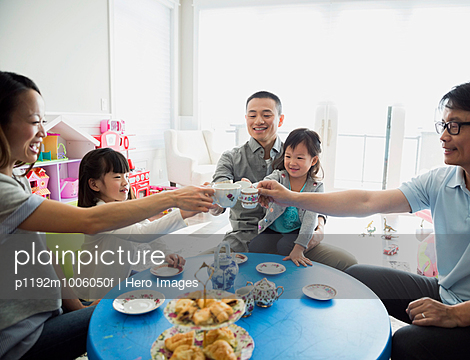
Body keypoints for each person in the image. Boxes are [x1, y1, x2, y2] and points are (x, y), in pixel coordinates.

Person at [258, 80, 470, 360]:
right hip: (448, 293)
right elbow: (366, 202)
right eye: (442, 125)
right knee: (357, 278)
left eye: (454, 126)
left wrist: (455, 315)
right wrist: (290, 198)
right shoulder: (441, 180)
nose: (443, 136)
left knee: (409, 343)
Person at [0, 71, 215, 360]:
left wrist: (77, 311)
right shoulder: (8, 193)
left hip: (49, 315)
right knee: (140, 313)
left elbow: (46, 261)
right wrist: (175, 197)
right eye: (34, 121)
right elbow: (92, 223)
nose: (43, 132)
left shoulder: (17, 182)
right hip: (21, 339)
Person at [209, 91, 357, 271]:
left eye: (266, 115)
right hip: (243, 237)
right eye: (252, 115)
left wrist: (319, 227)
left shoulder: (297, 154)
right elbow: (218, 199)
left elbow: (314, 191)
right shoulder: (230, 157)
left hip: (293, 239)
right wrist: (213, 200)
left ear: (280, 119)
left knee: (347, 262)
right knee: (208, 269)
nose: (258, 121)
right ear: (246, 118)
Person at [73, 148, 197, 299]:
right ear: (94, 184)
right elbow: (142, 233)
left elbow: (145, 227)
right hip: (95, 290)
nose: (126, 182)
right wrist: (182, 213)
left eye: (127, 176)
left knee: (161, 285)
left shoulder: (122, 206)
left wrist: (166, 253)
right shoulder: (101, 213)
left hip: (118, 275)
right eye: (118, 177)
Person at [248, 128, 324, 267]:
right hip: (273, 228)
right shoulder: (279, 176)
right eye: (288, 156)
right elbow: (262, 184)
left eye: (299, 158)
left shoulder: (315, 187)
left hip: (296, 231)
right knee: (255, 246)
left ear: (313, 160)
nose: (292, 162)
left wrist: (299, 248)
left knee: (285, 247)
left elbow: (310, 221)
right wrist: (250, 188)